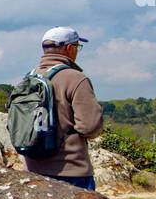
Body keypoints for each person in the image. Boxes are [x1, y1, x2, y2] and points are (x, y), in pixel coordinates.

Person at [22, 26, 104, 190]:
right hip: (72, 171)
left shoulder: (29, 77)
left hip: (33, 169)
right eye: (77, 47)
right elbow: (90, 126)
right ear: (69, 48)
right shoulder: (76, 79)